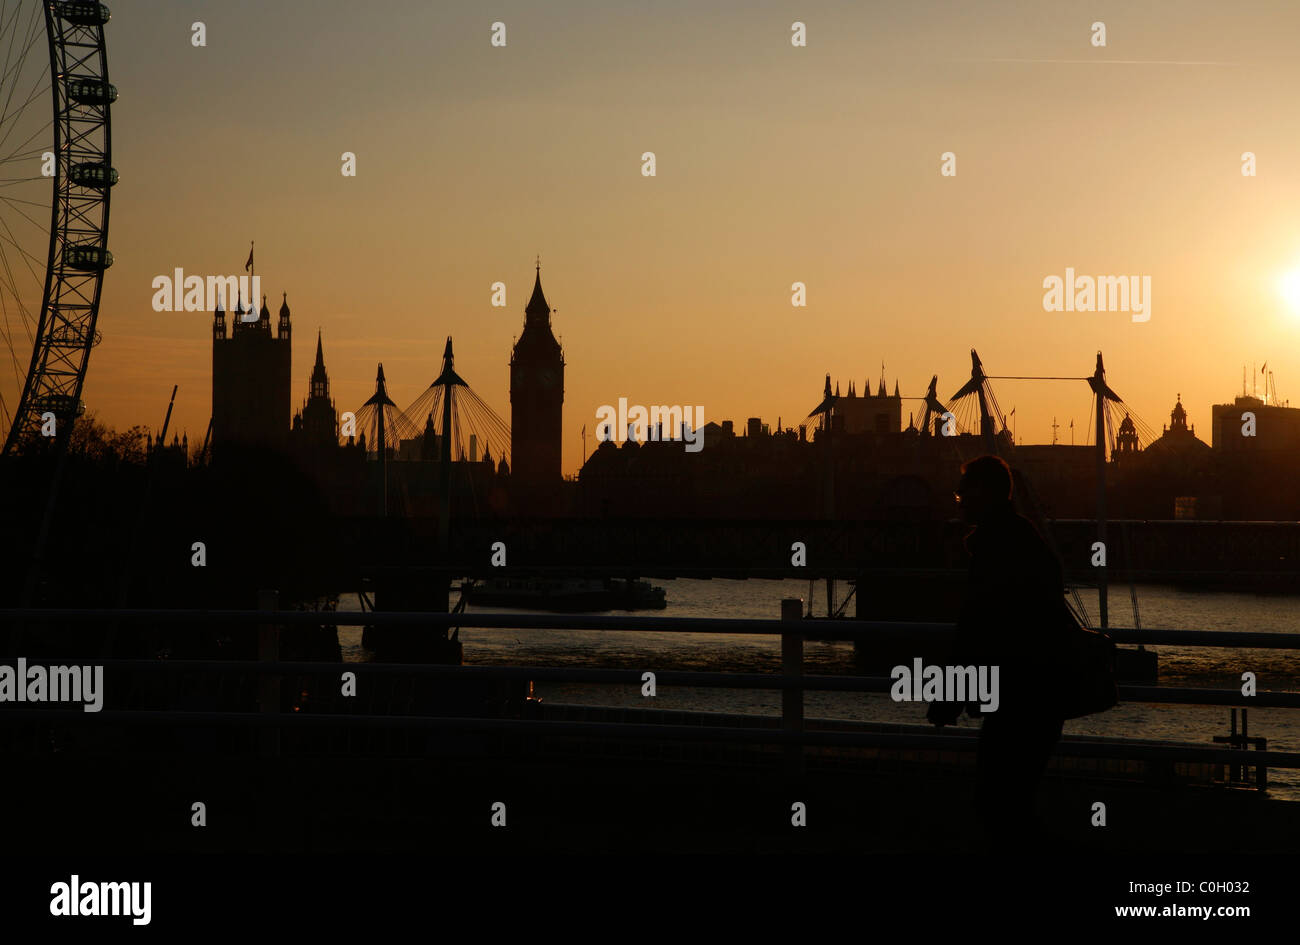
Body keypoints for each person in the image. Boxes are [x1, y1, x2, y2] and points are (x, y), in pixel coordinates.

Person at [927, 455, 1066, 844]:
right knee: (1012, 806)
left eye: (964, 493)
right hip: (1038, 693)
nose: (959, 501)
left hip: (1019, 696)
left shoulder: (995, 548)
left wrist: (949, 697)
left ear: (984, 493)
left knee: (997, 804)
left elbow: (977, 628)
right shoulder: (1023, 537)